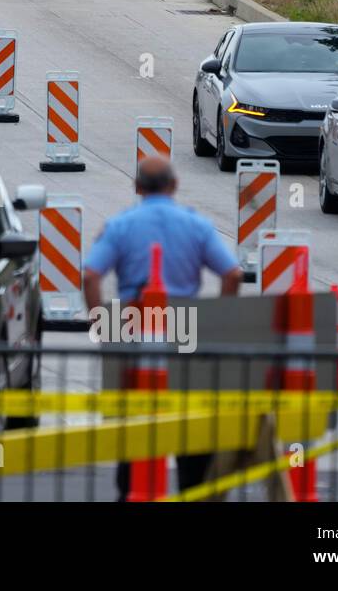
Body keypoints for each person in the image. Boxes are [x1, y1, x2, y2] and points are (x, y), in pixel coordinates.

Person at [82, 156, 242, 498]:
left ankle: (134, 490)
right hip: (185, 329)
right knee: (190, 428)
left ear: (138, 187)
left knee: (136, 428)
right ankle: (192, 488)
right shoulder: (196, 225)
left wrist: (103, 327)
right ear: (174, 185)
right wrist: (216, 323)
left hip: (134, 329)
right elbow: (233, 274)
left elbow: (91, 276)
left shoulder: (121, 226)